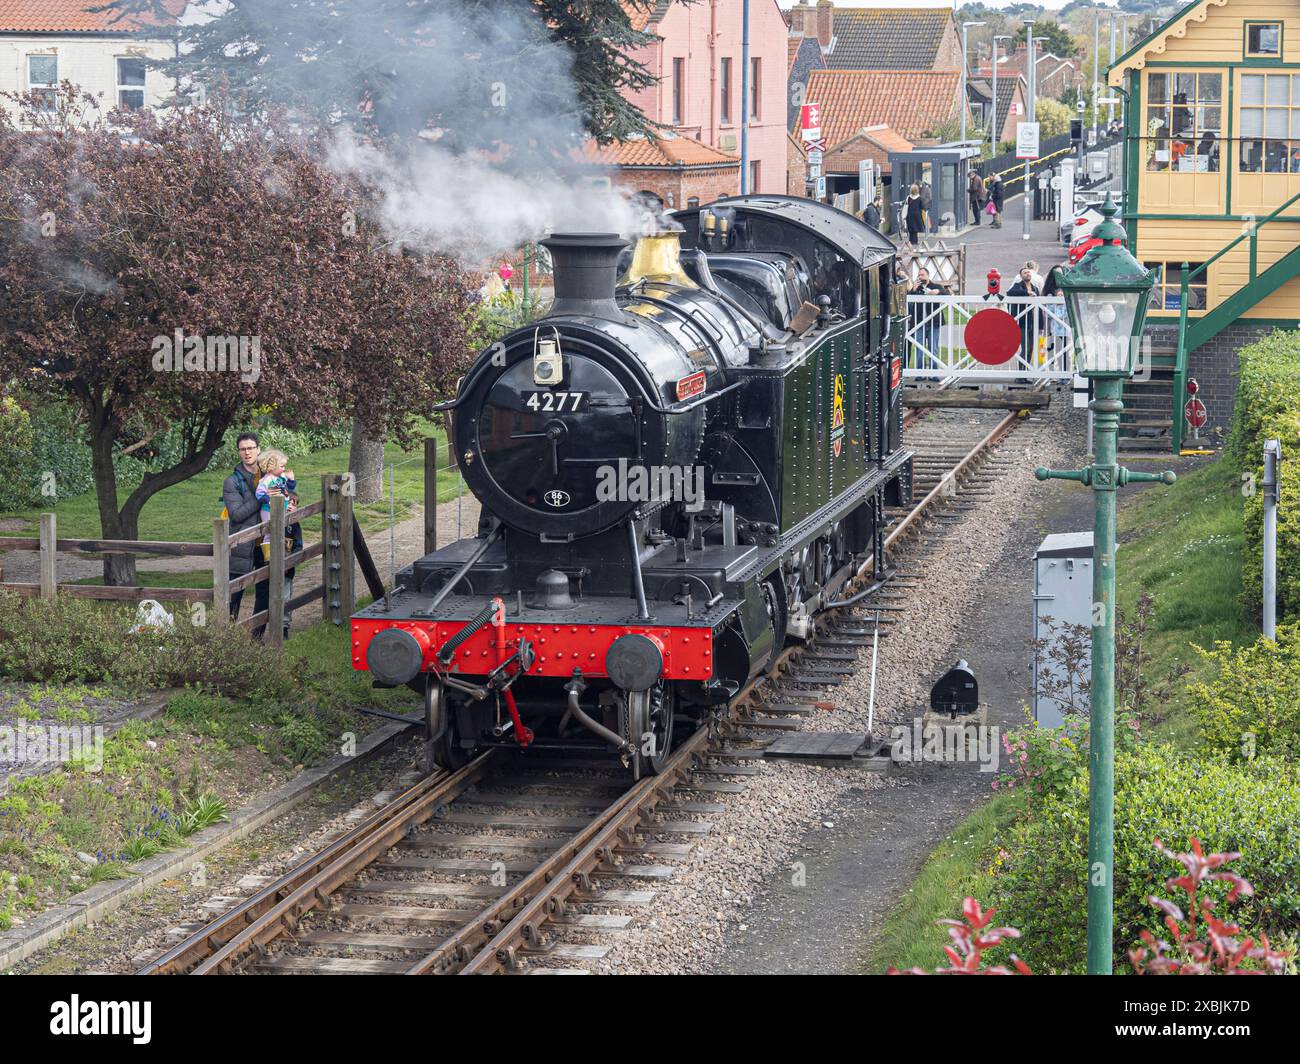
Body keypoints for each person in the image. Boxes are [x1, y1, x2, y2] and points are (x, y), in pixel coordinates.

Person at [222, 433, 271, 626]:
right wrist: (261, 495)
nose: (247, 452)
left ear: (258, 449)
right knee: (234, 595)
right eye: (243, 449)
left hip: (265, 543)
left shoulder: (270, 473)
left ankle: (257, 640)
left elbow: (285, 495)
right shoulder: (232, 482)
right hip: (241, 545)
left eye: (251, 448)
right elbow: (237, 514)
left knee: (265, 593)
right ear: (239, 452)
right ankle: (228, 641)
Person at [254, 449, 297, 563]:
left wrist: (291, 479)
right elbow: (259, 494)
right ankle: (269, 555)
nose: (284, 468)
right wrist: (269, 500)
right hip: (268, 510)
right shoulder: (267, 480)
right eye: (282, 466)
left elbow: (291, 488)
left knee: (280, 530)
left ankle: (279, 551)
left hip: (281, 508)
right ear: (272, 467)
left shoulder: (281, 476)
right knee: (271, 531)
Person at [908, 267, 945, 369]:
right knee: (919, 349)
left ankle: (933, 373)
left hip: (933, 322)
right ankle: (920, 373)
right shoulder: (916, 288)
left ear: (928, 275)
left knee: (933, 348)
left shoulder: (936, 286)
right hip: (919, 323)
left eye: (923, 275)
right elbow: (908, 300)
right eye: (919, 275)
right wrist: (913, 289)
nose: (921, 277)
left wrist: (938, 292)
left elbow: (947, 294)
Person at [1007, 264, 1043, 362]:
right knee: (1025, 348)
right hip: (1022, 322)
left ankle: (1027, 373)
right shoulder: (1017, 286)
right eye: (1025, 273)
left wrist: (1041, 325)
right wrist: (1027, 293)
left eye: (1028, 272)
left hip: (1033, 322)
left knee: (1031, 348)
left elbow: (1039, 307)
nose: (1027, 274)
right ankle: (1021, 373)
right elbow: (1010, 293)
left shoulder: (1035, 288)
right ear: (1021, 276)